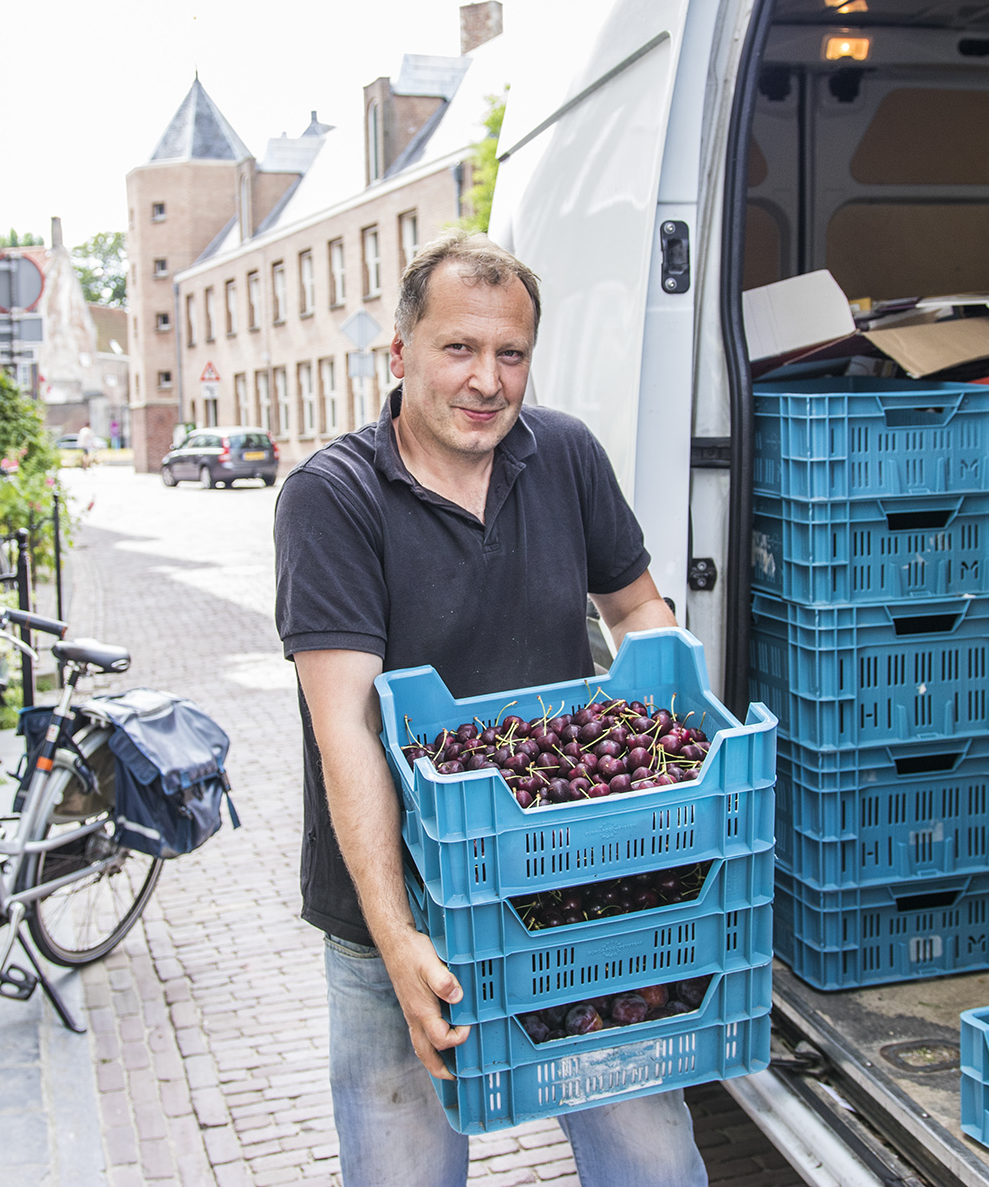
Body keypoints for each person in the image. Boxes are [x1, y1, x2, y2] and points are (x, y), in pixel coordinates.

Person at [273, 231, 708, 1186]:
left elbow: (634, 605)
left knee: (652, 1156)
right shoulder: (333, 497)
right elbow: (344, 726)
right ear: (401, 355)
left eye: (509, 354)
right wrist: (398, 943)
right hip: (405, 900)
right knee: (405, 1167)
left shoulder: (563, 455)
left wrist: (683, 743)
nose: (486, 380)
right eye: (457, 349)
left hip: (568, 885)